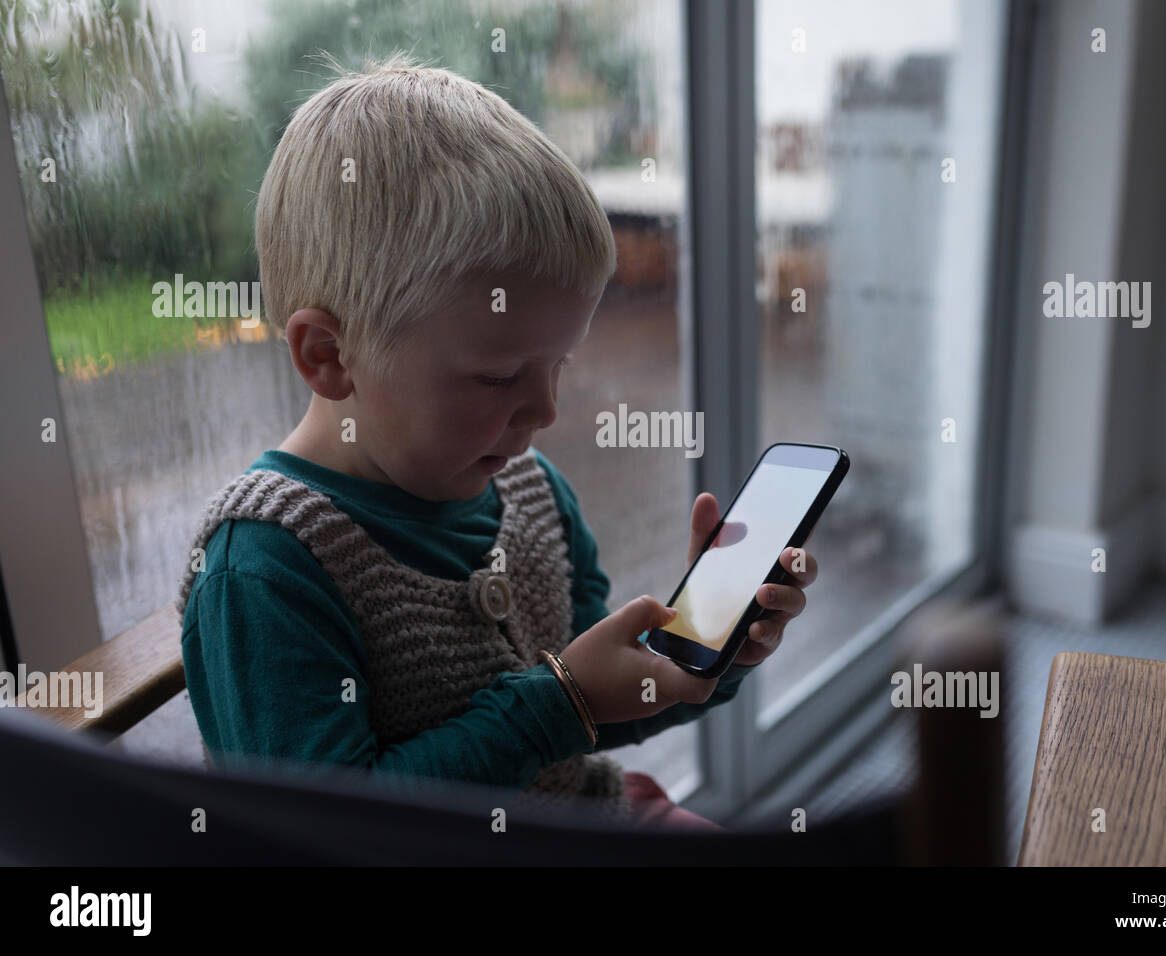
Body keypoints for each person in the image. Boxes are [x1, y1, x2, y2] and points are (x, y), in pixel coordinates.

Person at [174, 54, 819, 833]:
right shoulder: (263, 572)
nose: (544, 410)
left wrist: (701, 664)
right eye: (498, 376)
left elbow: (599, 712)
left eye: (559, 365)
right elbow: (321, 837)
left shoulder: (533, 491)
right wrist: (563, 700)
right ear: (328, 356)